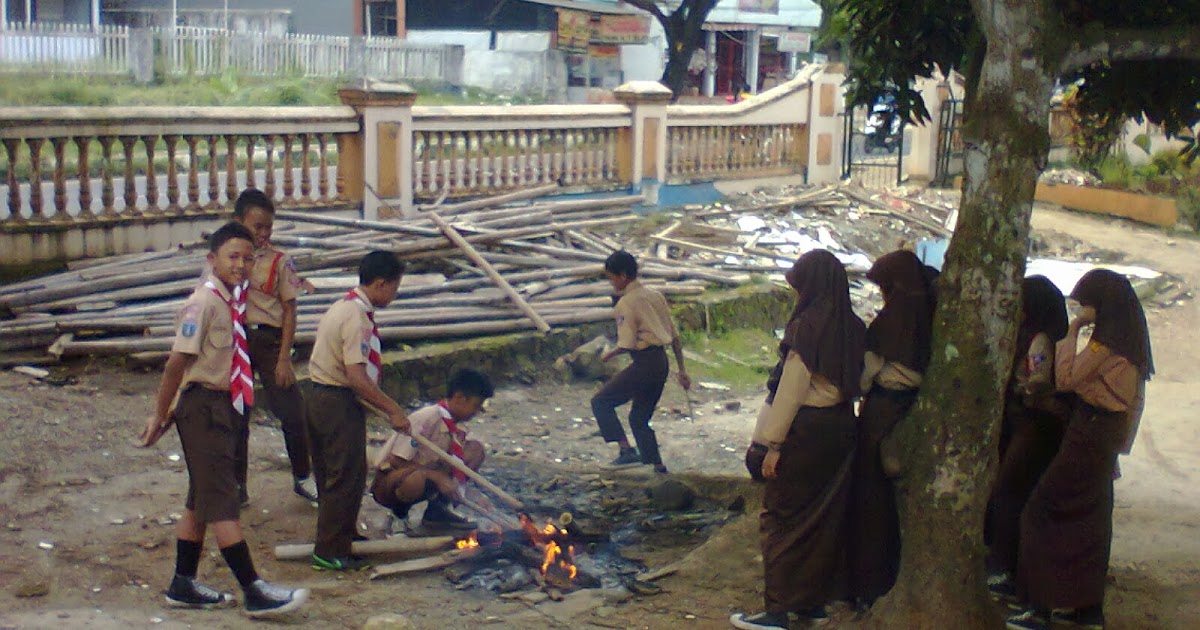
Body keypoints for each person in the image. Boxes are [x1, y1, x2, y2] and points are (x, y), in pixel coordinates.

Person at [138, 222, 308, 618]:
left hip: (222, 404)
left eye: (248, 258)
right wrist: (160, 415)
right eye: (233, 256)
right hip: (204, 407)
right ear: (212, 259)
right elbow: (176, 365)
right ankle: (254, 589)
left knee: (201, 499)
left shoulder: (230, 303)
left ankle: (182, 583)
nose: (242, 265)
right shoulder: (204, 304)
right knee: (223, 502)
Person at [1008, 270, 1153, 630]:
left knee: (1040, 510)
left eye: (1085, 304)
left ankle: (1038, 605)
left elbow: (1067, 378)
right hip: (1105, 439)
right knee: (1091, 522)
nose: (1081, 310)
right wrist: (1118, 450)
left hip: (1087, 432)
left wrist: (1072, 331)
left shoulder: (1105, 347)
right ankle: (1086, 609)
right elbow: (1134, 406)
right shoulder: (1132, 347)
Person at [732, 250, 867, 630]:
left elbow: (792, 389)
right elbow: (866, 377)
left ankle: (777, 611)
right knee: (824, 517)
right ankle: (812, 605)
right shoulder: (854, 327)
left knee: (781, 516)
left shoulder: (808, 327)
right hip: (841, 427)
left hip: (805, 431)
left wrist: (772, 445)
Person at [306, 251, 412, 572]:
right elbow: (356, 376)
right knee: (345, 475)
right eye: (394, 287)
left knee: (339, 472)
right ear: (381, 284)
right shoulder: (355, 318)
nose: (394, 294)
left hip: (323, 397)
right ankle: (329, 549)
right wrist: (393, 410)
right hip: (336, 400)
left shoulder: (345, 306)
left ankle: (344, 535)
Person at [849, 249, 936, 606]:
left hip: (882, 412)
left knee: (869, 499)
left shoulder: (891, 321)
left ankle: (867, 585)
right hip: (912, 410)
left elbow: (865, 377)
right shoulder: (930, 316)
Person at [228, 188, 317, 505]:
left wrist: (284, 359)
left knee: (292, 411)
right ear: (239, 222)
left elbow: (291, 310)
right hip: (235, 338)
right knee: (237, 414)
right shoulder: (227, 258)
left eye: (268, 227)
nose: (263, 233)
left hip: (268, 340)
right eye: (257, 226)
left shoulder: (280, 262)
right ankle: (236, 485)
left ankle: (303, 477)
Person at [987, 276, 1071, 596]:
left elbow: (1036, 381)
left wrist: (1022, 387)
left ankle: (1002, 569)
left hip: (1034, 424)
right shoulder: (1033, 335)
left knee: (1008, 491)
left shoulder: (1040, 341)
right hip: (1025, 423)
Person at [592, 251, 691, 474]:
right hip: (661, 363)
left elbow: (626, 343)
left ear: (623, 275)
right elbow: (674, 336)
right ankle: (657, 466)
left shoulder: (626, 303)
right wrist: (682, 370)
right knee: (639, 417)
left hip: (645, 363)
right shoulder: (655, 295)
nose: (611, 283)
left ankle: (626, 451)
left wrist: (608, 355)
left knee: (601, 402)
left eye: (612, 277)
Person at [371, 369, 496, 534]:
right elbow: (396, 460)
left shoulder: (458, 426)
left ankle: (438, 511)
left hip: (428, 477)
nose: (477, 412)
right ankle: (398, 515)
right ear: (459, 398)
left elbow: (456, 462)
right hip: (392, 481)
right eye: (476, 405)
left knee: (475, 451)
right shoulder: (426, 418)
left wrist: (473, 494)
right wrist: (436, 476)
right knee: (416, 479)